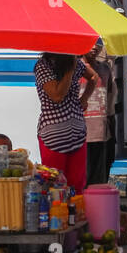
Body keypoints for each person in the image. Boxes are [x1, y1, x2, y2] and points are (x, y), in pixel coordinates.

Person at [33, 51, 100, 194]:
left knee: (77, 187)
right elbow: (57, 95)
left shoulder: (76, 64)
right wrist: (70, 69)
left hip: (77, 134)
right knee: (55, 186)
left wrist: (84, 99)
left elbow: (93, 77)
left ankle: (74, 216)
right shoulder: (43, 66)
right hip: (54, 137)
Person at [84, 38, 119, 186]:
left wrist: (111, 127)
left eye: (98, 43)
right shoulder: (75, 68)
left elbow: (110, 97)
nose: (94, 47)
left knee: (100, 177)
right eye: (89, 42)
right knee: (84, 177)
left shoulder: (105, 69)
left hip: (102, 130)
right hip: (81, 133)